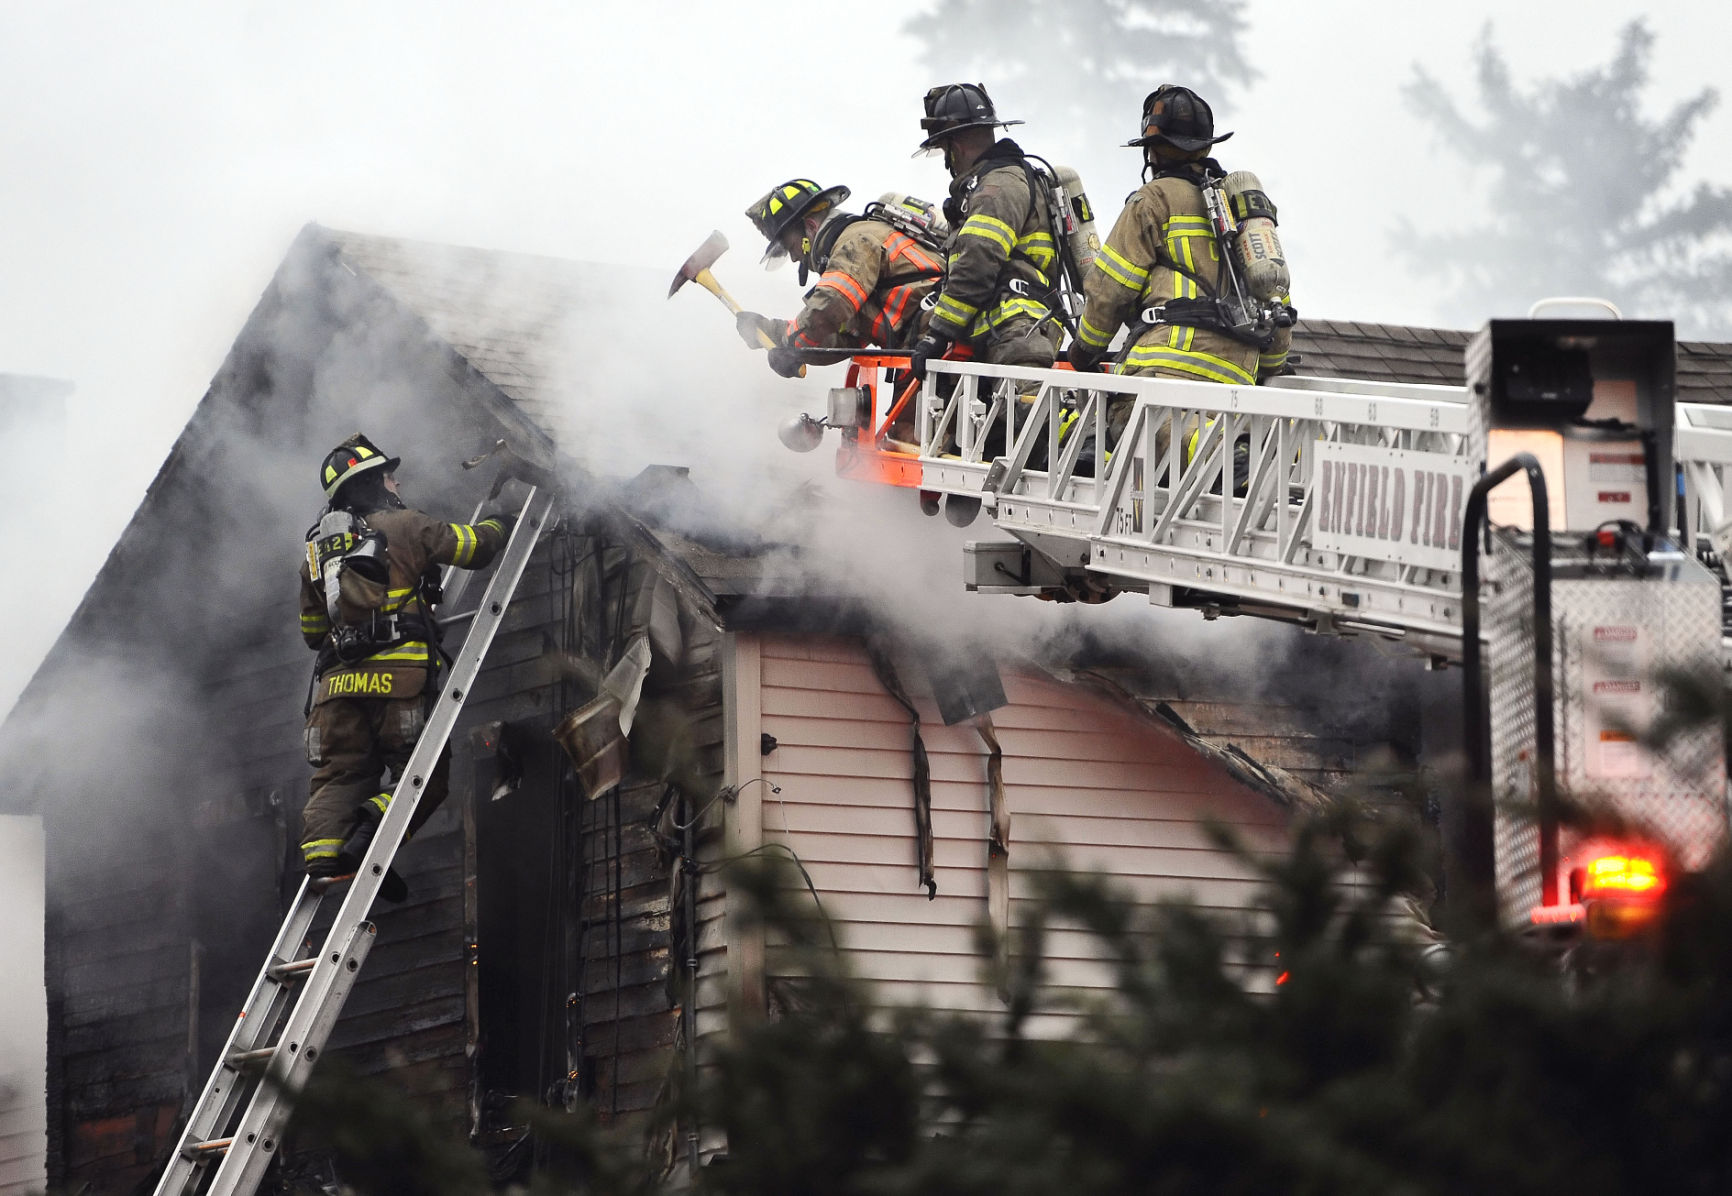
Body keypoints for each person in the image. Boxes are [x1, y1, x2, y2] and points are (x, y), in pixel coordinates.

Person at [298, 433, 513, 896]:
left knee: (339, 775)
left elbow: (313, 634)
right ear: (376, 483)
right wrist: (501, 523)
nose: (396, 482)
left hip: (334, 696)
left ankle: (324, 856)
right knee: (425, 776)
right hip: (399, 684)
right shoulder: (407, 526)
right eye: (388, 475)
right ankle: (367, 839)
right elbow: (471, 547)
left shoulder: (316, 553)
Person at [1066, 84, 1295, 456]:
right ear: (1205, 146)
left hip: (1166, 369)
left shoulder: (1152, 201)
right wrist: (1266, 365)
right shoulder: (1244, 213)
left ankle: (1218, 455)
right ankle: (1242, 450)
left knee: (1132, 419)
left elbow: (1110, 292)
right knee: (1202, 428)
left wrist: (1084, 350)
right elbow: (1277, 306)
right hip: (1237, 381)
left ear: (1151, 150)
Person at [905, 83, 1063, 383]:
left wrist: (938, 333)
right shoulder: (996, 183)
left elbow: (977, 262)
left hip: (1016, 333)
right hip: (1005, 335)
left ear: (956, 146)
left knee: (1032, 423)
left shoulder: (995, 188)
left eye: (944, 151)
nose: (947, 161)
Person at [735, 178, 944, 379]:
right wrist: (772, 332)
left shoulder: (853, 242)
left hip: (940, 340)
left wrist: (789, 344)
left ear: (811, 226)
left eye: (791, 246)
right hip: (926, 349)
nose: (794, 257)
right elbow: (844, 340)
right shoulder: (852, 262)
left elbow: (826, 310)